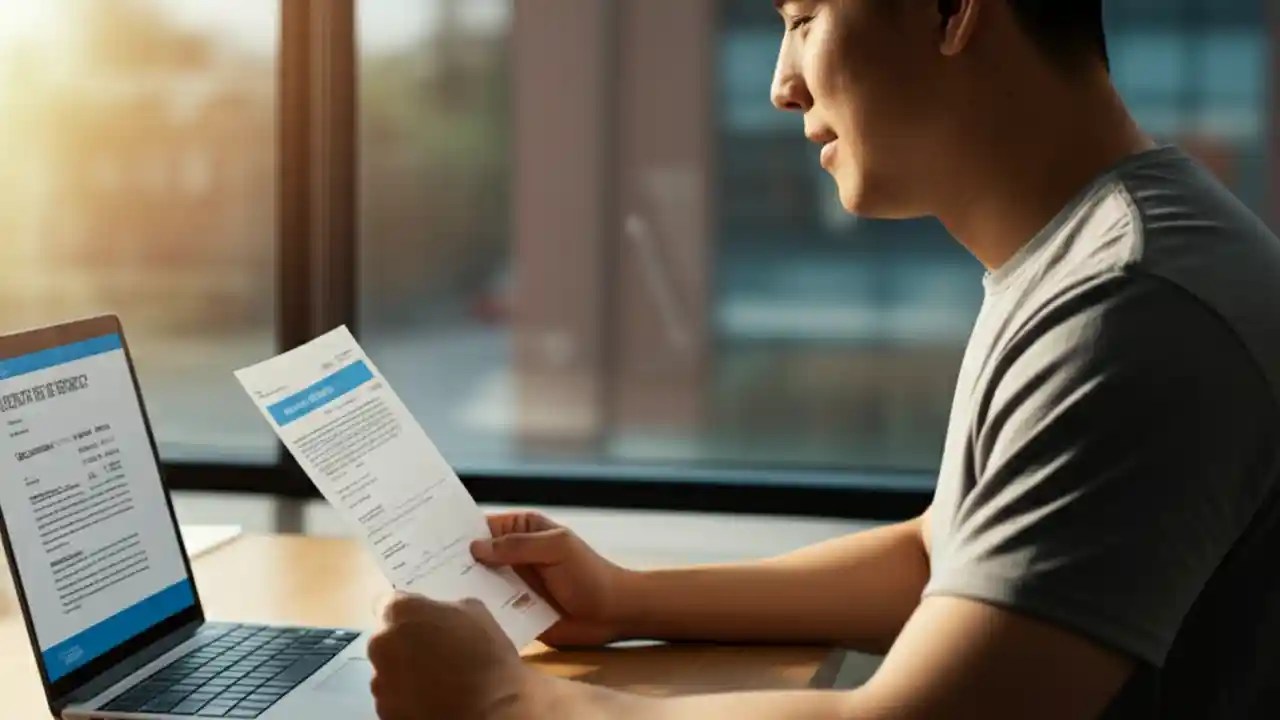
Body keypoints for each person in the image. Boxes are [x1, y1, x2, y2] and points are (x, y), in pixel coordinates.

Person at [366, 0, 1280, 718]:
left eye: (803, 20)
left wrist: (511, 702)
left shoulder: (1133, 302)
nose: (781, 86)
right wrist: (626, 599)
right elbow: (948, 558)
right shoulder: (1089, 256)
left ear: (951, 9)